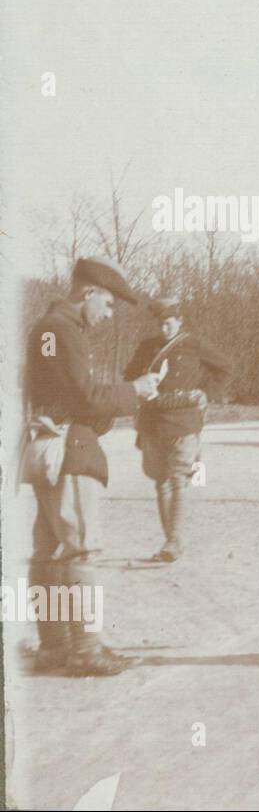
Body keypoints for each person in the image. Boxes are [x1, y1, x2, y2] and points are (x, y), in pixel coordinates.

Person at [21, 257, 161, 676]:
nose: (109, 312)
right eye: (109, 303)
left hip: (47, 447)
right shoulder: (63, 330)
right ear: (88, 293)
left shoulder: (49, 327)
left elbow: (68, 394)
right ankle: (84, 648)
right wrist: (134, 391)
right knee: (80, 547)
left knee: (49, 549)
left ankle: (54, 645)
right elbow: (84, 398)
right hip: (70, 449)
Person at [123, 297, 232, 562]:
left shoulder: (194, 344)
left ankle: (173, 541)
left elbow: (225, 368)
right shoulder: (147, 347)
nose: (164, 329)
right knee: (161, 482)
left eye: (169, 323)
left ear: (179, 321)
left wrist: (206, 392)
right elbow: (128, 376)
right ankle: (172, 541)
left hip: (184, 420)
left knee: (178, 478)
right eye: (160, 324)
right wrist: (140, 383)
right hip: (153, 422)